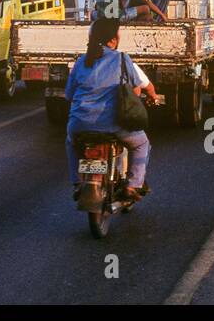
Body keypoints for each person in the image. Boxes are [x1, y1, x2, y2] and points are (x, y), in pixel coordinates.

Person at [65, 18, 156, 202]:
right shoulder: (122, 58)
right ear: (112, 39)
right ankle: (132, 185)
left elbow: (69, 95)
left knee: (70, 142)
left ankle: (77, 183)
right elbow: (135, 89)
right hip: (113, 125)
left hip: (79, 125)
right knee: (141, 144)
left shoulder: (81, 61)